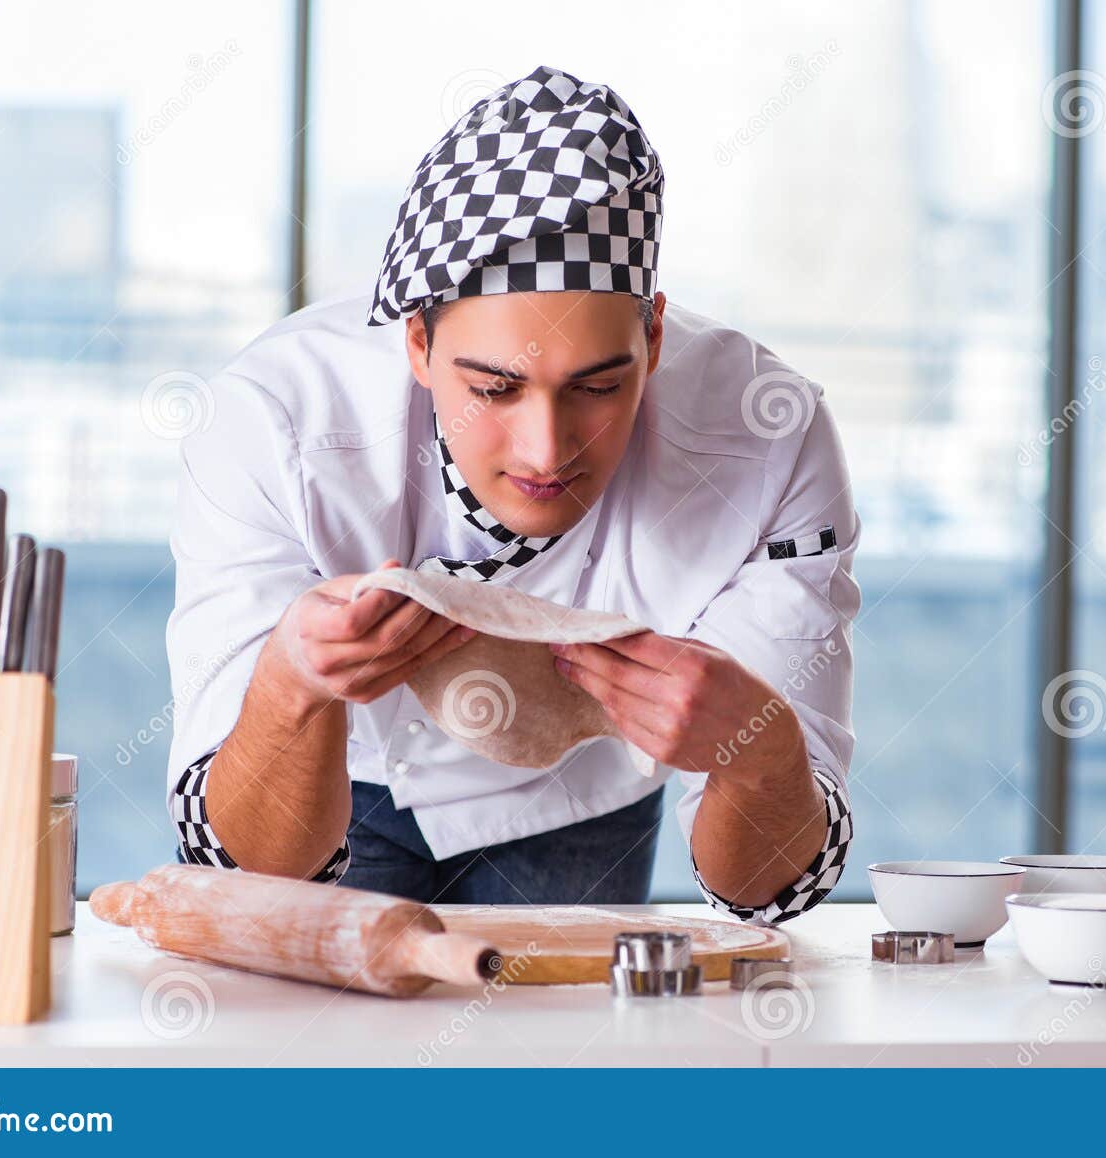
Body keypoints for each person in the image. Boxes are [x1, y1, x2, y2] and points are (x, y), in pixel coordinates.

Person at [165, 65, 859, 924]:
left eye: (599, 388)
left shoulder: (768, 435)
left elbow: (769, 891)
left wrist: (759, 750)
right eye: (493, 389)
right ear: (416, 341)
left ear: (653, 335)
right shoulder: (274, 420)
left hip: (583, 798)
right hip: (345, 770)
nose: (547, 450)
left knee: (553, 1054)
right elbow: (244, 865)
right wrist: (290, 682)